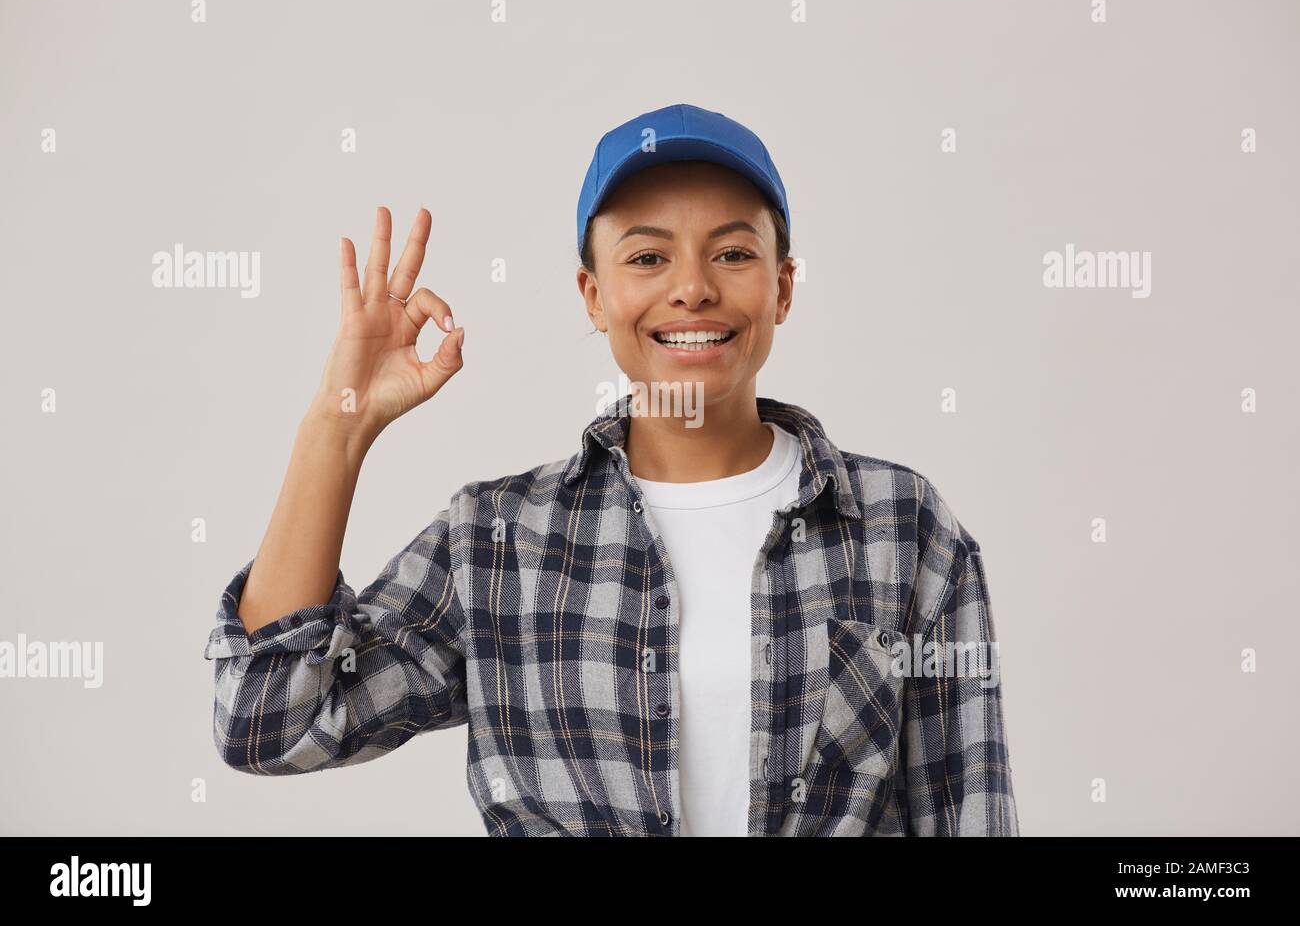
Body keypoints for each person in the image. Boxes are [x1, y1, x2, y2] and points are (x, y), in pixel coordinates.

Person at [203, 102, 1019, 836]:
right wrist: (336, 430)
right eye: (647, 259)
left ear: (783, 287)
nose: (693, 290)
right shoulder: (498, 542)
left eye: (733, 254)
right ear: (593, 296)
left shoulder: (900, 526)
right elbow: (268, 723)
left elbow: (967, 813)